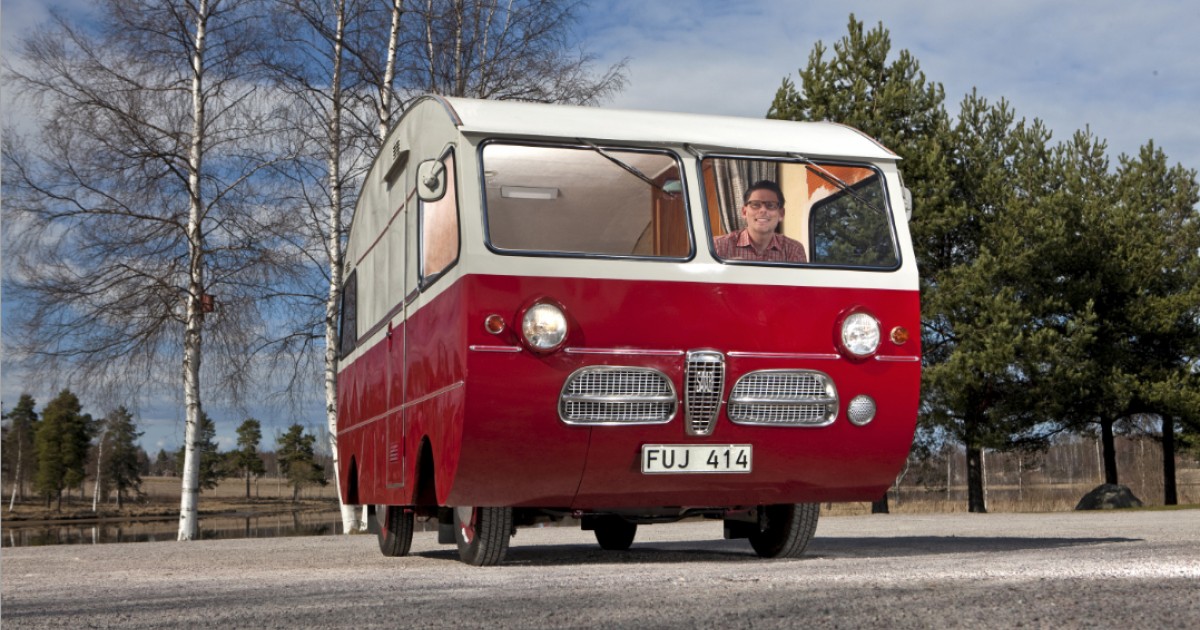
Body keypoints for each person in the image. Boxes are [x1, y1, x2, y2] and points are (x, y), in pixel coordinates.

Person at [712, 180, 807, 263]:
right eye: (755, 204)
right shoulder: (718, 247)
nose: (763, 210)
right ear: (744, 212)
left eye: (770, 205)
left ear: (781, 214)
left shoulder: (794, 249)